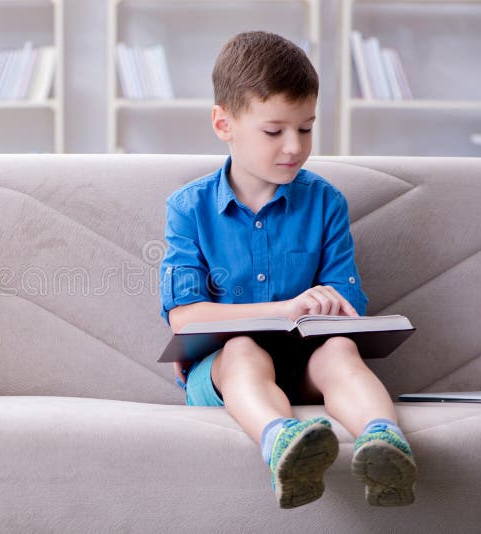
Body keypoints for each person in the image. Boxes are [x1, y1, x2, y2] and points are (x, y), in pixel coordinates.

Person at [158, 31, 417, 509]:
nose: (294, 147)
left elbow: (349, 305)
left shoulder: (325, 202)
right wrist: (289, 306)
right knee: (241, 349)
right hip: (226, 373)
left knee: (339, 348)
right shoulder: (187, 208)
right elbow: (185, 318)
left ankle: (384, 444)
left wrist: (329, 305)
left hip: (306, 365)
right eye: (274, 131)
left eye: (307, 127)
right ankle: (283, 443)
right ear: (224, 123)